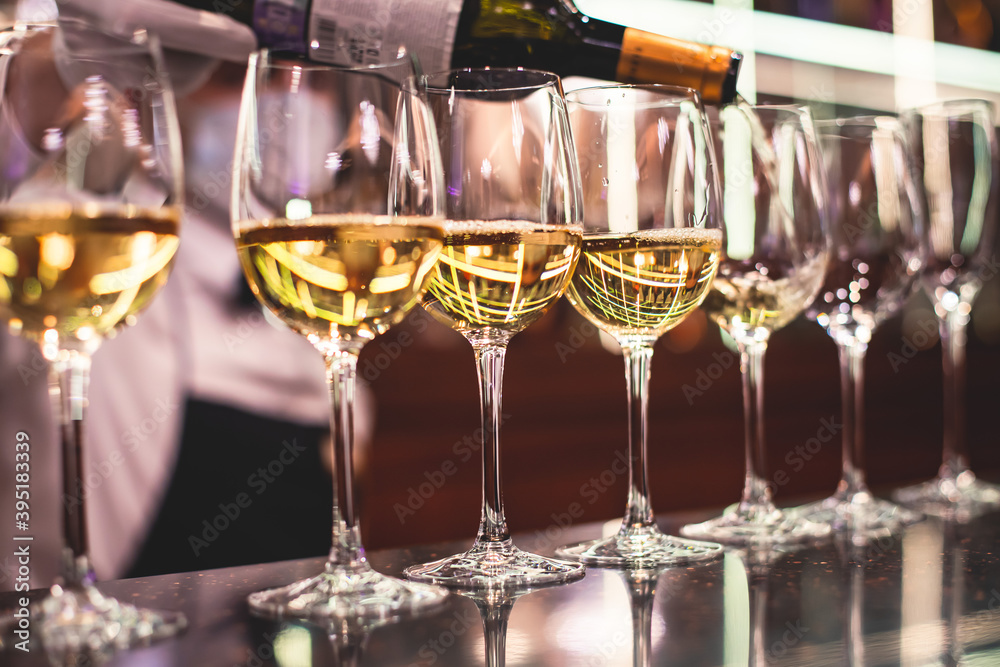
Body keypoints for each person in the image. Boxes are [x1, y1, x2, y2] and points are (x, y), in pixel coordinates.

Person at [0, 0, 374, 588]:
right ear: (165, 95)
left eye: (294, 72)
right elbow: (14, 145)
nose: (278, 98)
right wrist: (55, 68)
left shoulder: (313, 283)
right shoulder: (84, 248)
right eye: (233, 76)